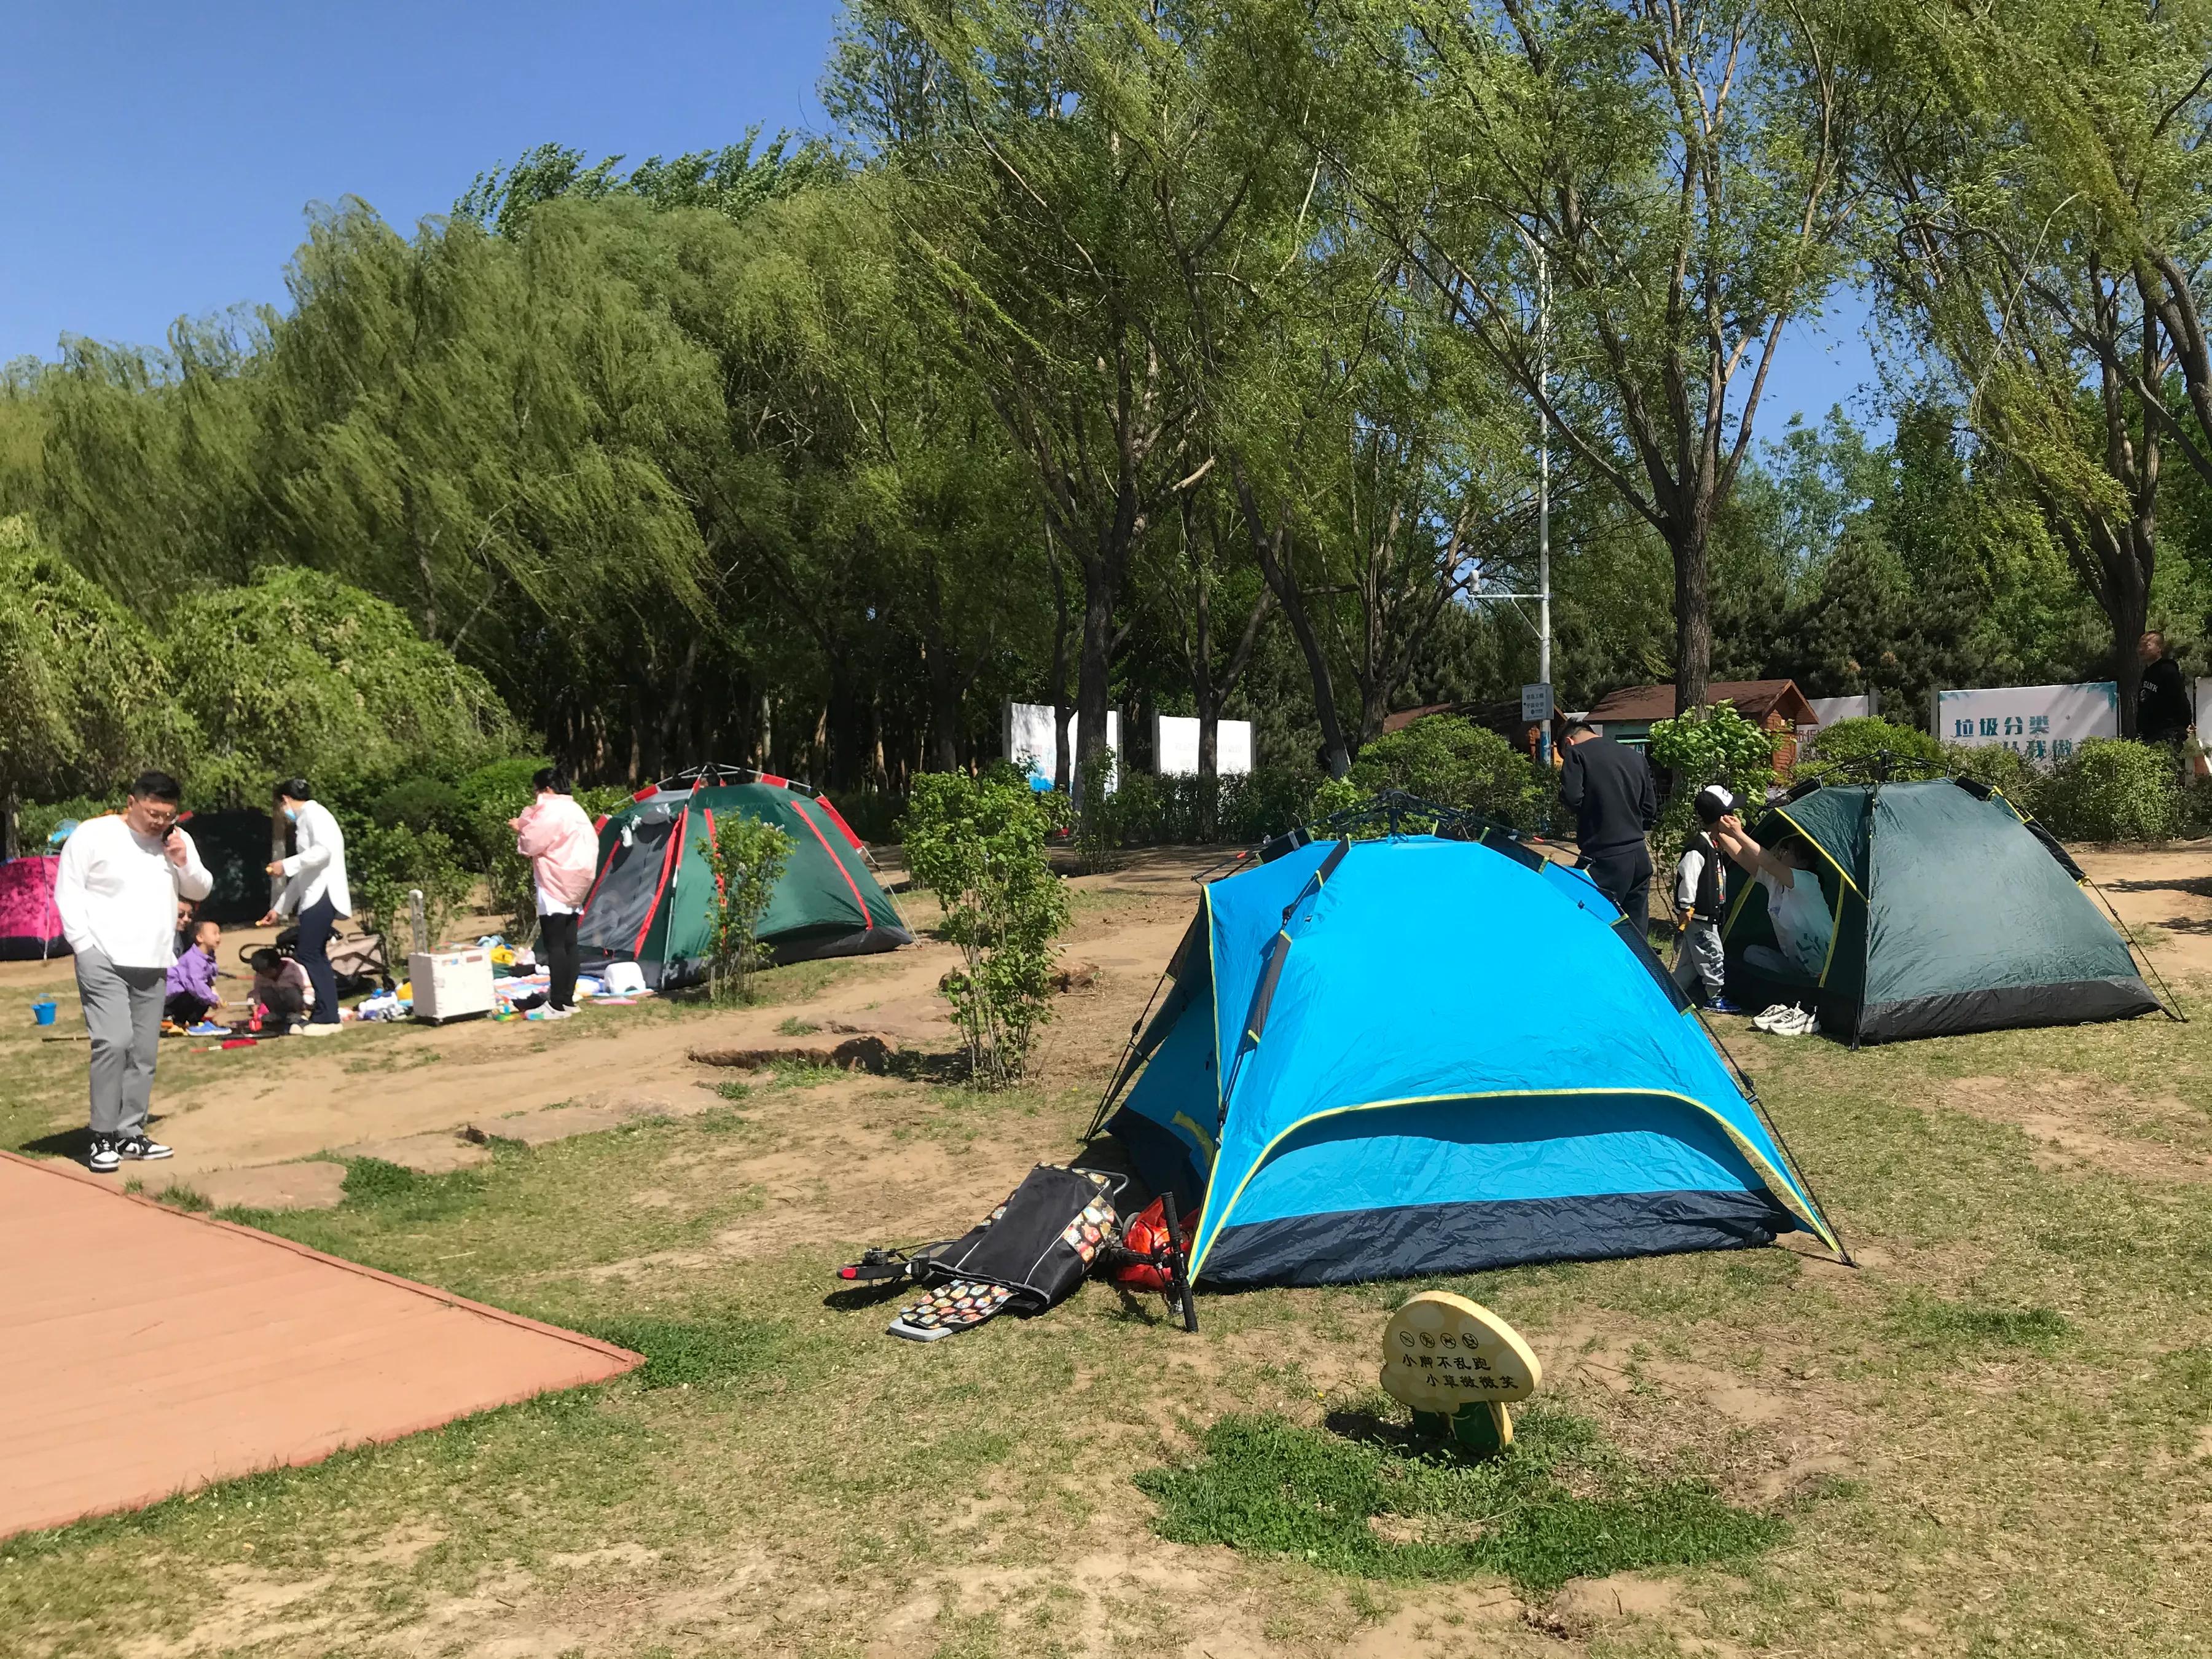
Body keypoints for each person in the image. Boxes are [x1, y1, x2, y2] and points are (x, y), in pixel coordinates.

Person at [53, 770, 211, 1171]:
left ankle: (130, 1133)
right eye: (153, 812)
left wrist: (181, 860)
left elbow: (200, 889)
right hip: (102, 956)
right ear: (132, 802)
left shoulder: (176, 840)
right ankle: (102, 1136)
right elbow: (68, 891)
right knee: (114, 1042)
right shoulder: (94, 835)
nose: (159, 821)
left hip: (153, 960)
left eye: (167, 814)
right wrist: (83, 946)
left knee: (144, 1052)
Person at [1712, 811, 1831, 1037]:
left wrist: (1739, 832)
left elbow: (1765, 860)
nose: (1780, 853)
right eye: (1781, 849)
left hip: (1823, 961)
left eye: (1787, 852)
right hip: (1796, 963)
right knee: (1753, 954)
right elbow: (1740, 856)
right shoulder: (1774, 881)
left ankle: (1806, 1008)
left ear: (1803, 862)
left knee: (1815, 981)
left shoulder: (1807, 881)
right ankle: (1792, 1000)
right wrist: (1717, 828)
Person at [259, 778, 350, 1036]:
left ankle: (328, 1017)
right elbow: (302, 876)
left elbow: (323, 853)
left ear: (285, 800)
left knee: (309, 953)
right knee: (314, 954)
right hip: (314, 893)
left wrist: (285, 865)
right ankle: (325, 1014)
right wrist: (279, 908)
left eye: (279, 806)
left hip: (324, 893)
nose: (281, 813)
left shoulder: (314, 814)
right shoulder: (306, 820)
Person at [510, 765, 598, 1019]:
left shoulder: (552, 809)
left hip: (555, 881)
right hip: (576, 882)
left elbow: (532, 843)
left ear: (546, 789)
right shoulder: (575, 809)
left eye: (536, 791)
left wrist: (520, 829)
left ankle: (558, 1004)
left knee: (555, 944)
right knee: (570, 943)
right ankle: (567, 999)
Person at [1556, 720, 1658, 928]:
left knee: (1590, 923)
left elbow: (1572, 798)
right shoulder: (1636, 757)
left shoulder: (1577, 754)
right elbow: (1650, 809)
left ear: (1569, 743)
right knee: (1635, 934)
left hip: (1604, 856)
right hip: (1639, 855)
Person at [1672, 785, 1743, 1013]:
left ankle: (1673, 992)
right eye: (1730, 813)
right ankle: (1715, 995)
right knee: (1712, 953)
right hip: (1698, 914)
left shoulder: (1714, 844)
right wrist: (1686, 906)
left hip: (1707, 914)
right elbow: (1688, 878)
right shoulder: (1699, 848)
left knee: (1691, 960)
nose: (1734, 817)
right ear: (1720, 818)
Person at [163, 918, 228, 1032]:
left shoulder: (209, 956)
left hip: (184, 994)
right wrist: (212, 999)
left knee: (203, 996)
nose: (218, 937)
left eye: (219, 933)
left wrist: (215, 995)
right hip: (171, 998)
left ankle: (191, 1021)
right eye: (214, 933)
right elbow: (196, 984)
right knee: (200, 996)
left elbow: (208, 980)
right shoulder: (194, 959)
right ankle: (182, 1022)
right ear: (200, 938)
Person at [2136, 630, 2192, 749]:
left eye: (2146, 645)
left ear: (2159, 648)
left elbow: (2181, 699)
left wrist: (2181, 727)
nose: (2141, 650)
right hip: (2150, 735)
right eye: (2140, 646)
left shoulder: (2168, 670)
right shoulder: (2147, 673)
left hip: (2167, 734)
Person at [247, 947, 313, 1033]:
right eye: (261, 973)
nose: (264, 975)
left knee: (290, 992)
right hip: (276, 1002)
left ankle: (298, 1014)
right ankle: (277, 1015)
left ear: (276, 966)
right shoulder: (261, 976)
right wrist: (254, 1003)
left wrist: (307, 1004)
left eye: (267, 972)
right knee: (265, 991)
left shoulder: (294, 969)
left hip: (296, 1000)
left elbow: (307, 988)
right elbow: (257, 992)